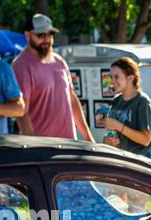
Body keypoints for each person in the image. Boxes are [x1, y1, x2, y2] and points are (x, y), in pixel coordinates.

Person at [12, 13, 92, 141]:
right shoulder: (21, 65)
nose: (46, 39)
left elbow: (71, 100)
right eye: (40, 35)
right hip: (43, 148)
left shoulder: (60, 62)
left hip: (69, 142)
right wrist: (32, 145)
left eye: (50, 34)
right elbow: (22, 112)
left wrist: (88, 137)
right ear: (27, 35)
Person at [97, 56, 151, 157]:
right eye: (111, 77)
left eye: (116, 77)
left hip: (141, 161)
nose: (112, 82)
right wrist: (107, 140)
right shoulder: (116, 100)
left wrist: (118, 126)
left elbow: (145, 140)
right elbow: (113, 132)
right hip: (122, 159)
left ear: (130, 78)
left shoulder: (142, 102)